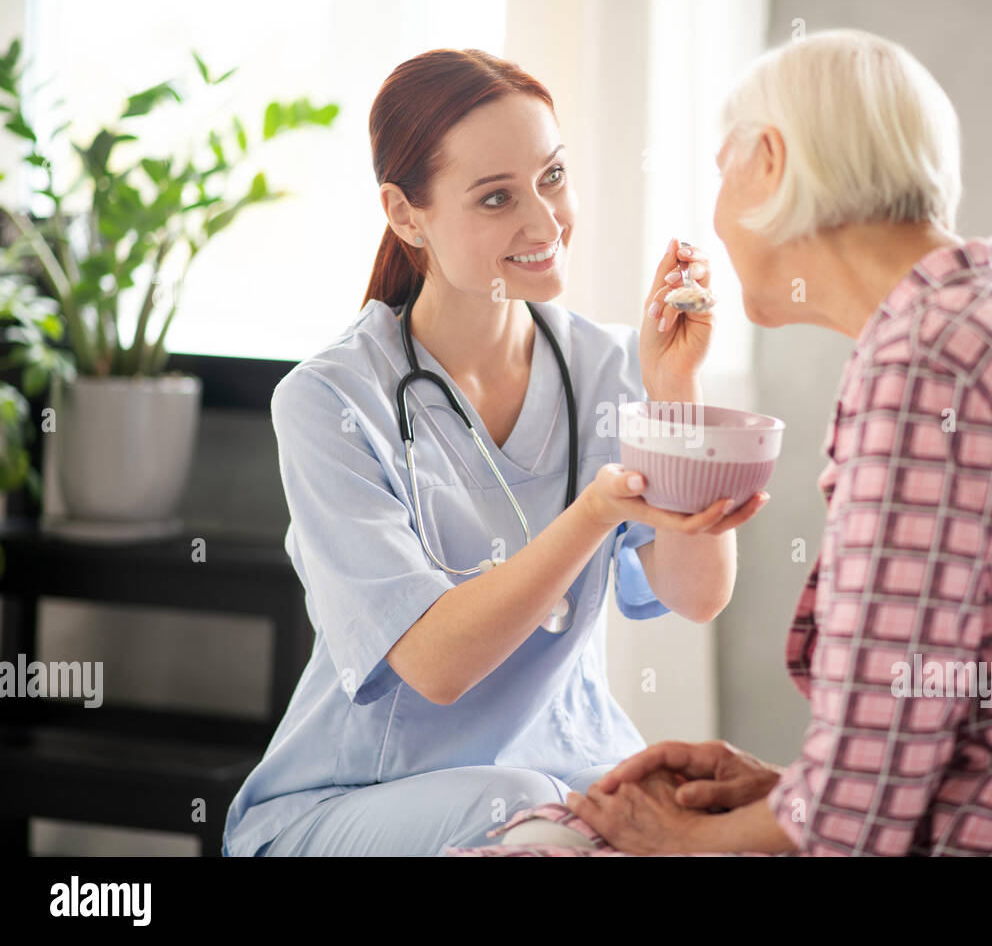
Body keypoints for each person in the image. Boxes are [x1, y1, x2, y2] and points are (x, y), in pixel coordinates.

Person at [461, 28, 992, 857]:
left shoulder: (929, 362)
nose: (713, 208)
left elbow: (867, 790)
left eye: (722, 169)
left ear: (772, 162)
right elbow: (922, 720)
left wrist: (687, 840)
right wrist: (785, 793)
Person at [221, 48, 767, 857]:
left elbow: (696, 593)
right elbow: (437, 667)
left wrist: (673, 393)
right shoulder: (329, 401)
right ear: (407, 216)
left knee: (718, 825)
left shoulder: (613, 367)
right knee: (531, 818)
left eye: (552, 177)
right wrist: (594, 513)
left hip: (567, 776)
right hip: (361, 801)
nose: (545, 224)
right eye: (496, 198)